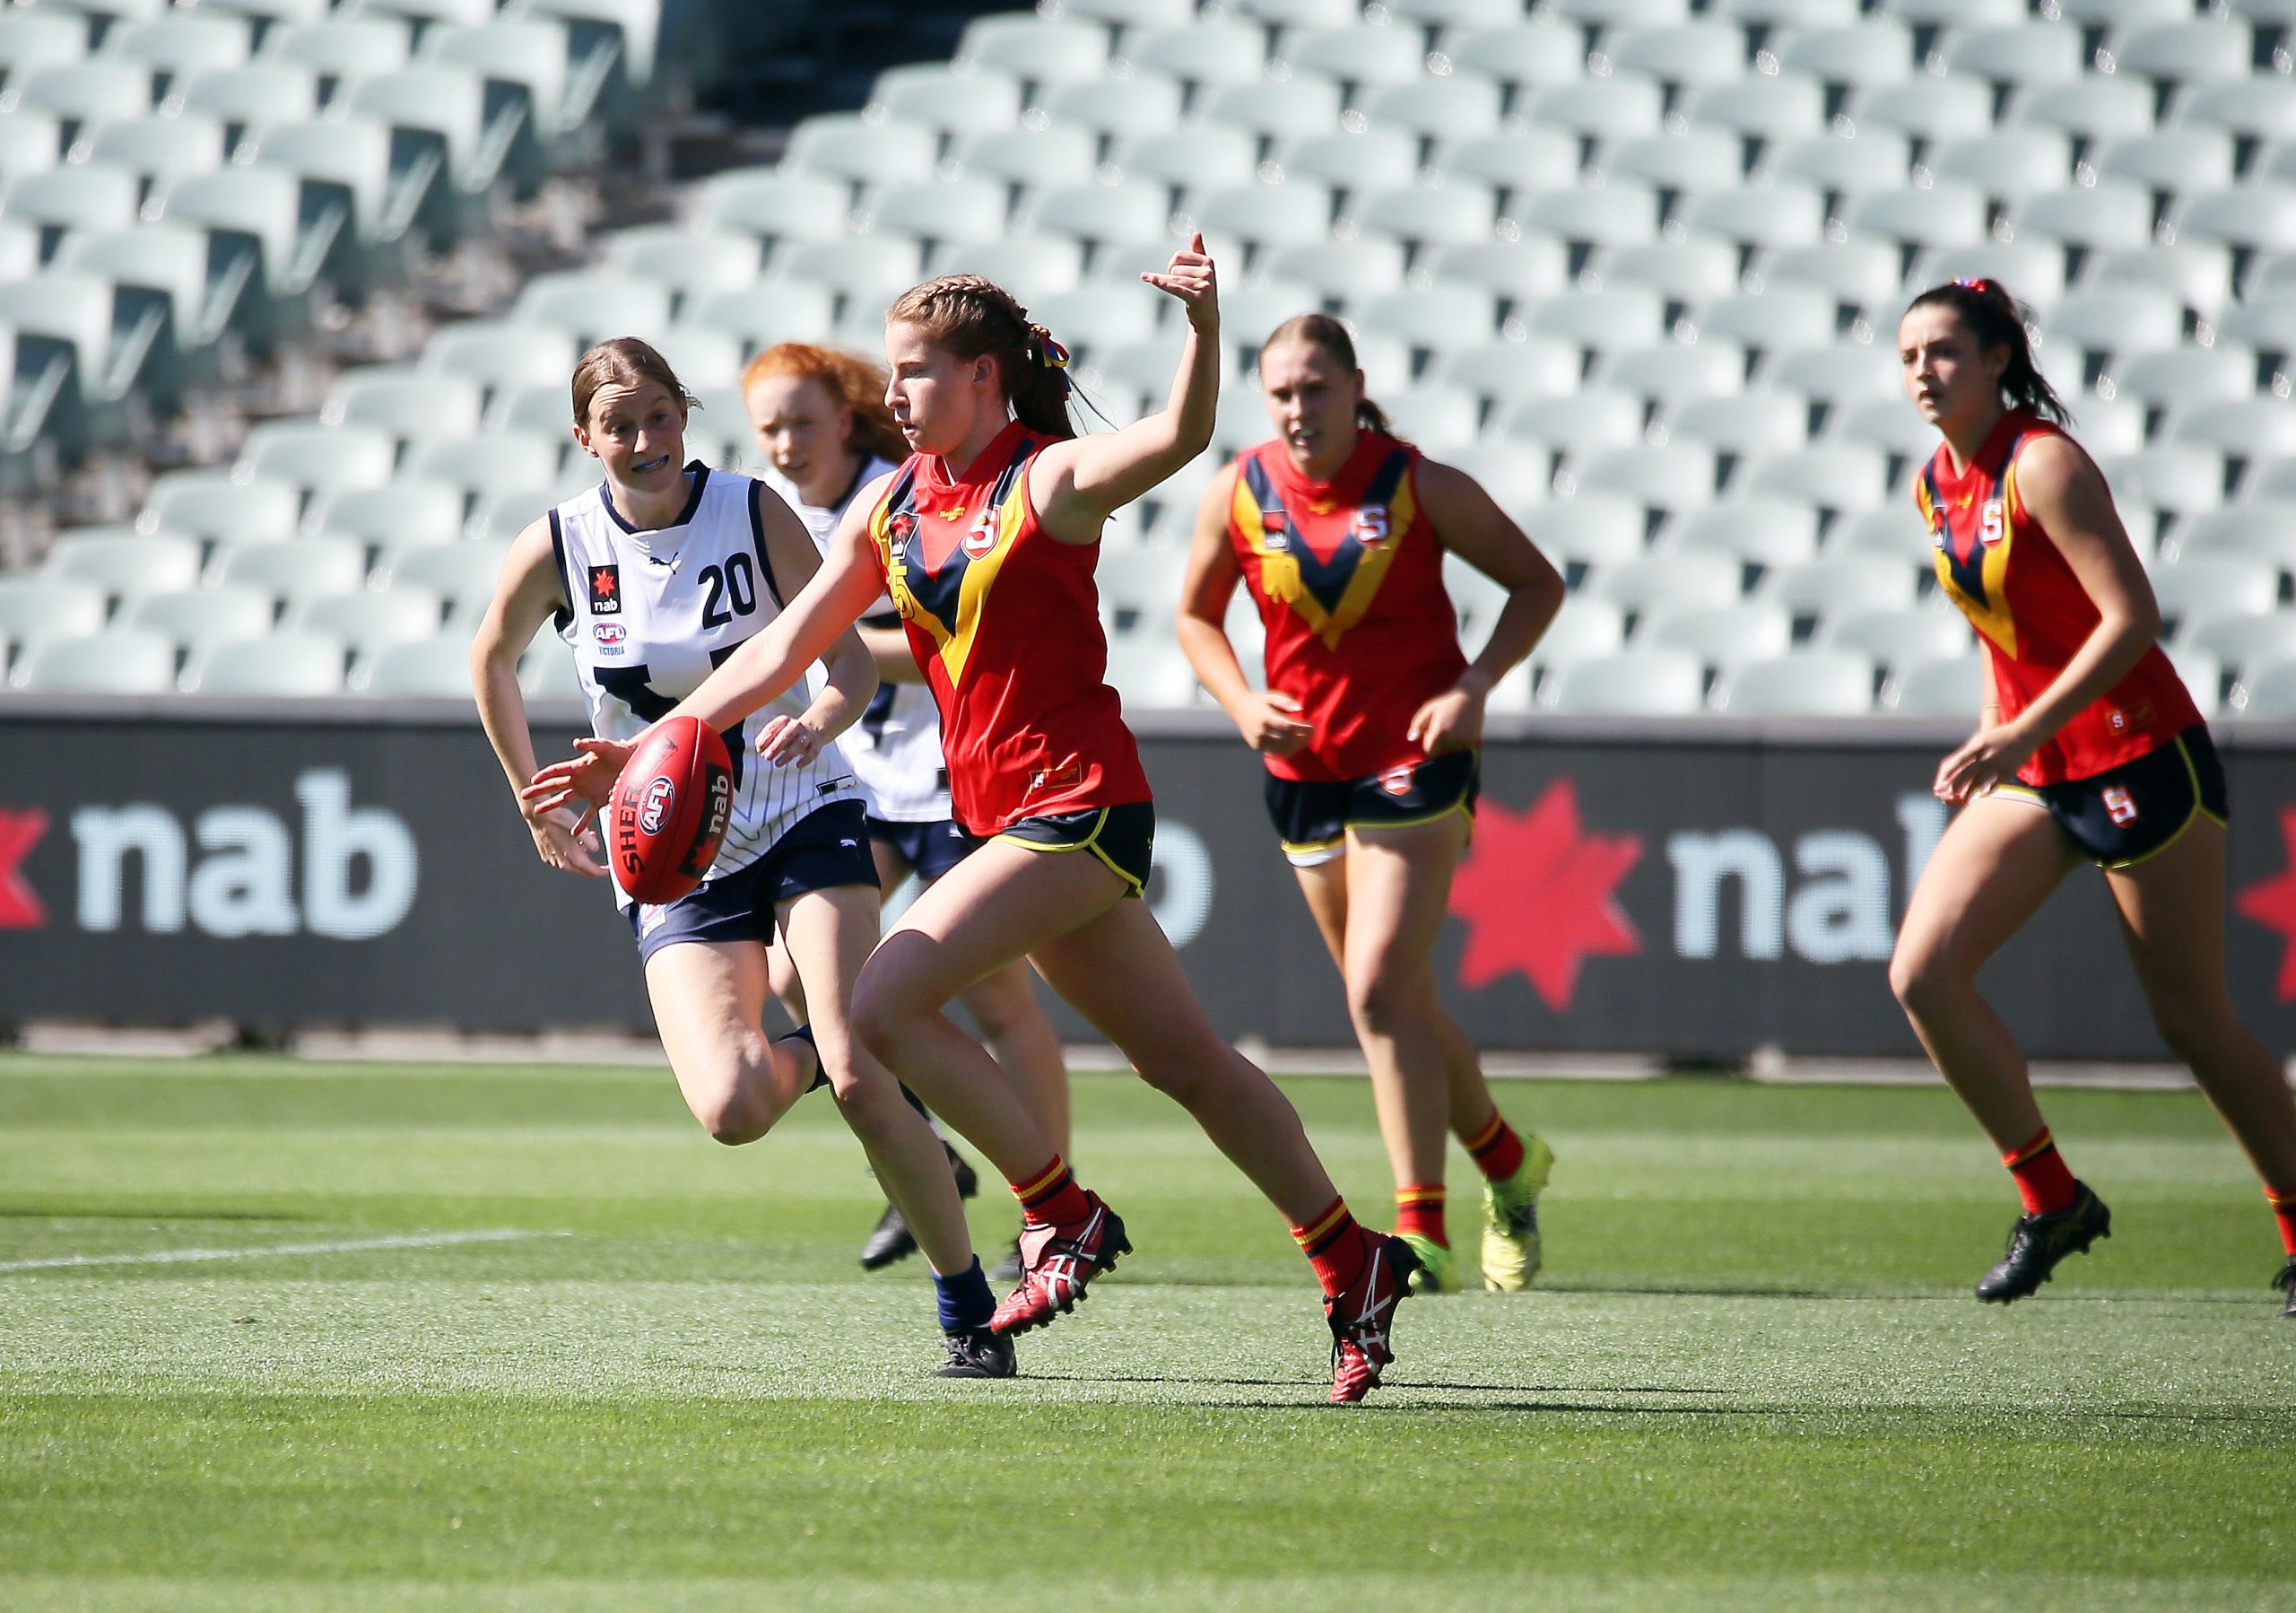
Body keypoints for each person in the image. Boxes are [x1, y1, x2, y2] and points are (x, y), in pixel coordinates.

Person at [528, 242, 1422, 1400]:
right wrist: (662, 742)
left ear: (983, 376)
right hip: (1012, 819)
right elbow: (785, 646)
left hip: (1079, 804)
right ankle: (1353, 1259)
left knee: (881, 1003)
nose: (890, 391)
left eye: (913, 370)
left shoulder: (1046, 479)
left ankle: (1059, 1211)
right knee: (1185, 1062)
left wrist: (1205, 331)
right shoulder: (895, 502)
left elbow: (1179, 435)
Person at [473, 336, 1017, 1378]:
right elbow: (490, 656)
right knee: (731, 1108)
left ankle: (969, 1312)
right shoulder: (559, 544)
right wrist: (530, 802)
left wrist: (819, 718)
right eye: (619, 424)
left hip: (799, 805)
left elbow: (850, 663)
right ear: (583, 437)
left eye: (660, 416)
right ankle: (820, 1045)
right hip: (674, 847)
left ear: (685, 415)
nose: (645, 439)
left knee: (863, 1076)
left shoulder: (753, 511)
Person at [1888, 277, 2296, 1316]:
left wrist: (2019, 730)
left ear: (1996, 360)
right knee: (1923, 973)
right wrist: (1998, 733)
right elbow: (2005, 633)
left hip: (2140, 755)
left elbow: (2131, 619)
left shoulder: (2043, 462)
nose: (1923, 372)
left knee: (2194, 1024)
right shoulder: (1936, 481)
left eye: (1944, 351)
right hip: (2039, 767)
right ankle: (2052, 1199)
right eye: (1908, 356)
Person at [1174, 313, 1567, 1295]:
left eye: (1315, 388)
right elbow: (1194, 617)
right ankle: (1508, 1161)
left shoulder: (1419, 485)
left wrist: (1474, 685)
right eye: (1281, 392)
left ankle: (1421, 1231)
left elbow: (1535, 584)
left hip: (1415, 760)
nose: (1297, 408)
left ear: (1356, 386)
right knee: (1398, 998)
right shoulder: (1239, 490)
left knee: (1378, 990)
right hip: (1305, 775)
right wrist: (1241, 702)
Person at [743, 341, 1074, 1280]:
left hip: (956, 775)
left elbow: (937, 635)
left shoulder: (894, 494)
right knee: (795, 976)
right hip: (867, 779)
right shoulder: (780, 518)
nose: (786, 443)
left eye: (803, 422)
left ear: (846, 420)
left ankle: (1052, 1210)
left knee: (1000, 999)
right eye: (770, 428)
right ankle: (928, 1150)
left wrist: (820, 641)